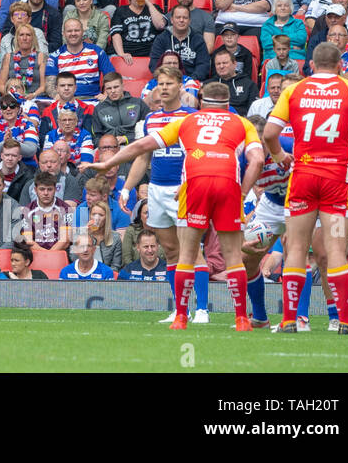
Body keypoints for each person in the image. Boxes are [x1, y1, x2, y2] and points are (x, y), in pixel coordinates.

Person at [97, 81, 266, 331]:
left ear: (200, 100)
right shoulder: (242, 123)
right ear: (228, 103)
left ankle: (181, 317)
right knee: (233, 256)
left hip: (195, 185)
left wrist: (107, 163)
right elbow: (258, 160)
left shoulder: (188, 121)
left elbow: (142, 146)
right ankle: (241, 318)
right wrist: (242, 193)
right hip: (228, 183)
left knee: (186, 254)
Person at [268, 42, 348, 334]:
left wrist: (280, 157)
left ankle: (288, 320)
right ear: (339, 67)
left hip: (303, 177)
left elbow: (270, 133)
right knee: (336, 250)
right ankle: (345, 321)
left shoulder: (293, 90)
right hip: (337, 180)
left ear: (311, 64)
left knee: (295, 247)